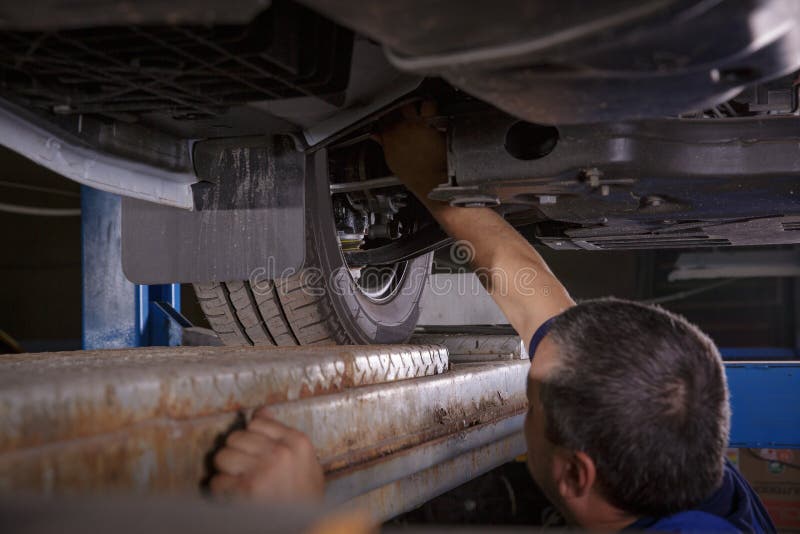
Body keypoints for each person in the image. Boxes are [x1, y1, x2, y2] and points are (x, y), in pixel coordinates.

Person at [209, 103, 775, 532]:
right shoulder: (703, 492)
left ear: (578, 474)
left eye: (530, 397)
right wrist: (431, 176)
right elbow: (533, 298)